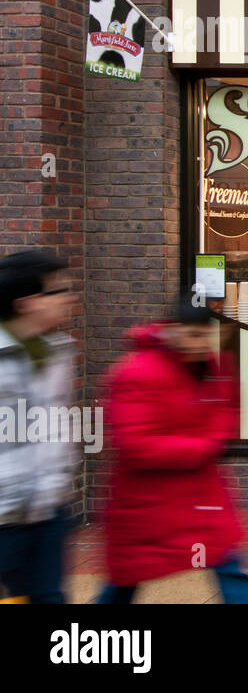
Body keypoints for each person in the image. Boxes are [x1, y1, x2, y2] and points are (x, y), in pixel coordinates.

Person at [96, 298, 248, 603]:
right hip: (150, 502)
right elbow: (135, 445)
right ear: (172, 332)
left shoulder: (208, 367)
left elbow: (229, 409)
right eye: (193, 335)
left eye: (204, 336)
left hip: (200, 496)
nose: (200, 344)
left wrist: (215, 436)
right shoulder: (136, 373)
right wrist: (204, 446)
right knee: (126, 579)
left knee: (228, 563)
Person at [0, 251, 78, 604]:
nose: (68, 297)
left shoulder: (59, 351)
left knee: (49, 598)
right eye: (57, 291)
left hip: (47, 509)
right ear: (27, 303)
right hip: (5, 514)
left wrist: (58, 483)